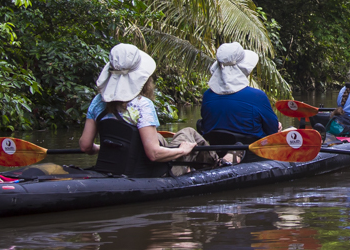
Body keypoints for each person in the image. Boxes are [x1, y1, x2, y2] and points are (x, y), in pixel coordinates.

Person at [79, 44, 204, 176]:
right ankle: (216, 164)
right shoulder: (142, 104)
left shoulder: (98, 101)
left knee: (160, 137)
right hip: (147, 173)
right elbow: (154, 154)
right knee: (189, 133)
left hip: (110, 170)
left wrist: (107, 148)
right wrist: (183, 150)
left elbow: (85, 146)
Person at [200, 42, 282, 145]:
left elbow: (205, 128)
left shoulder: (207, 96)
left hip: (216, 151)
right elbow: (272, 131)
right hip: (251, 152)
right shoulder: (257, 96)